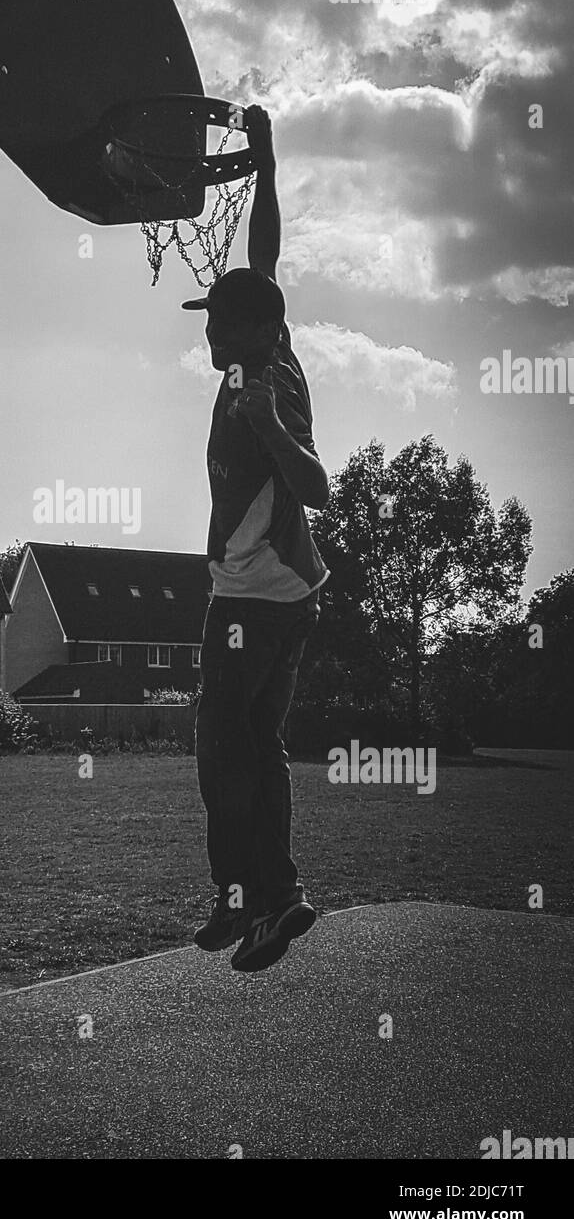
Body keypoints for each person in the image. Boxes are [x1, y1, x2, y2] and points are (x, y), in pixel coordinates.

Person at [181, 106, 330, 973]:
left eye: (213, 330)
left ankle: (253, 897)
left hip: (252, 597)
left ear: (246, 335)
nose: (204, 339)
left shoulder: (266, 387)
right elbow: (265, 258)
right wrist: (266, 163)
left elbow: (315, 485)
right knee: (257, 746)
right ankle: (270, 900)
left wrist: (272, 428)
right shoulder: (273, 339)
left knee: (217, 749)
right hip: (289, 597)